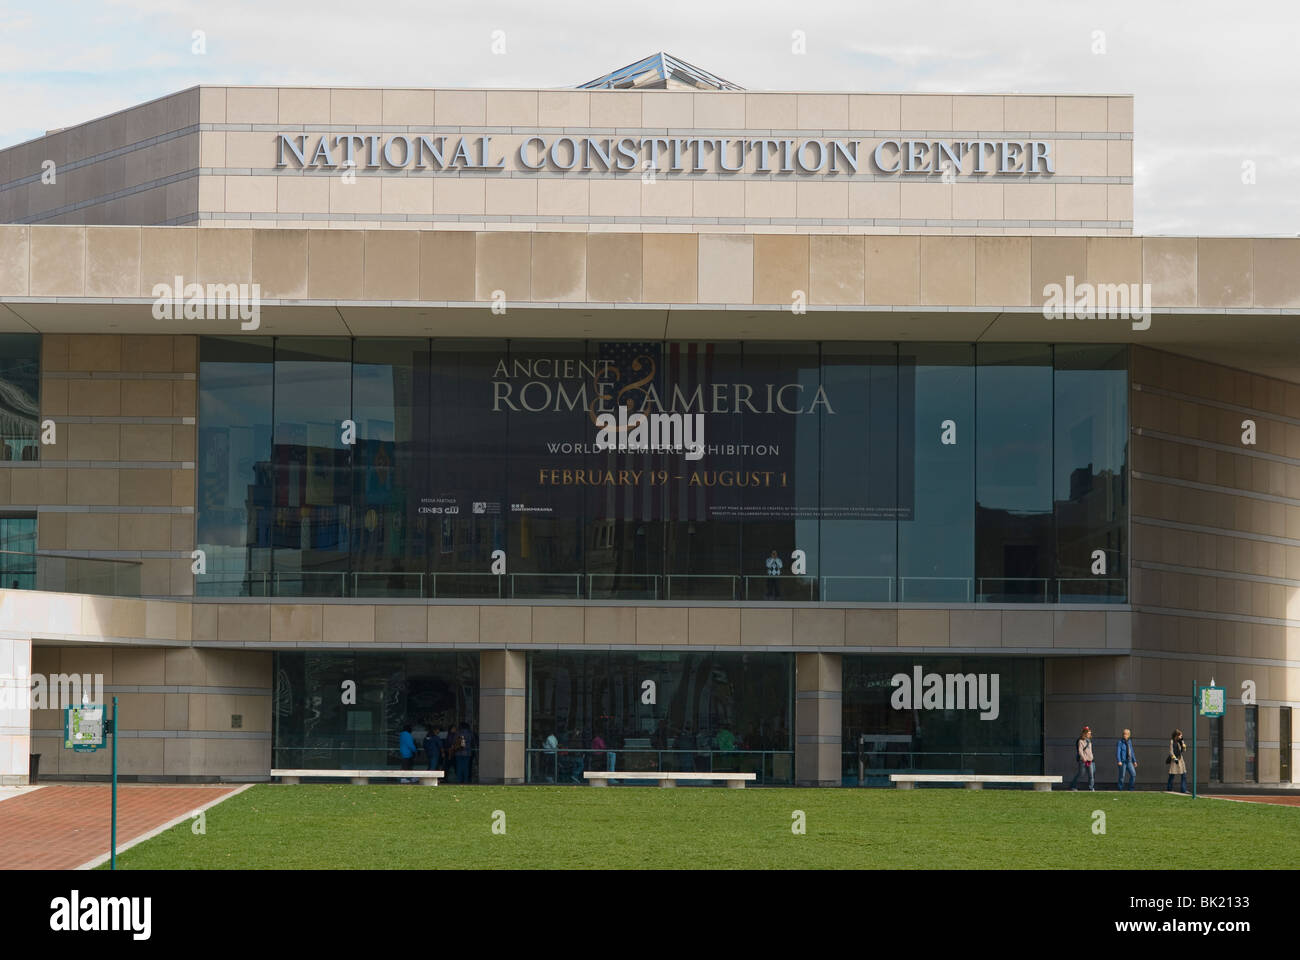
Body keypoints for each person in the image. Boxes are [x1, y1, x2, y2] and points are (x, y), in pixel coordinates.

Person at [1069, 725, 1095, 791]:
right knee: (1081, 774)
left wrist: (1092, 757)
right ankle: (1073, 786)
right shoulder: (1080, 741)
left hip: (1090, 760)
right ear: (1085, 733)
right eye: (1089, 733)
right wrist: (1083, 758)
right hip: (1083, 761)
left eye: (1090, 733)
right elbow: (1080, 751)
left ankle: (1091, 788)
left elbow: (1090, 750)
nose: (1090, 734)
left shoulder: (1089, 741)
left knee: (1091, 775)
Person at [1166, 729, 1189, 793]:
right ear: (1177, 735)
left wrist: (1183, 745)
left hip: (1180, 759)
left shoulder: (1180, 742)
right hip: (1174, 759)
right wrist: (1174, 759)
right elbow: (1171, 752)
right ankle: (1169, 789)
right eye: (1180, 736)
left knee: (1183, 774)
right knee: (1172, 774)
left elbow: (1184, 750)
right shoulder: (1172, 741)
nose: (1181, 737)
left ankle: (1183, 789)